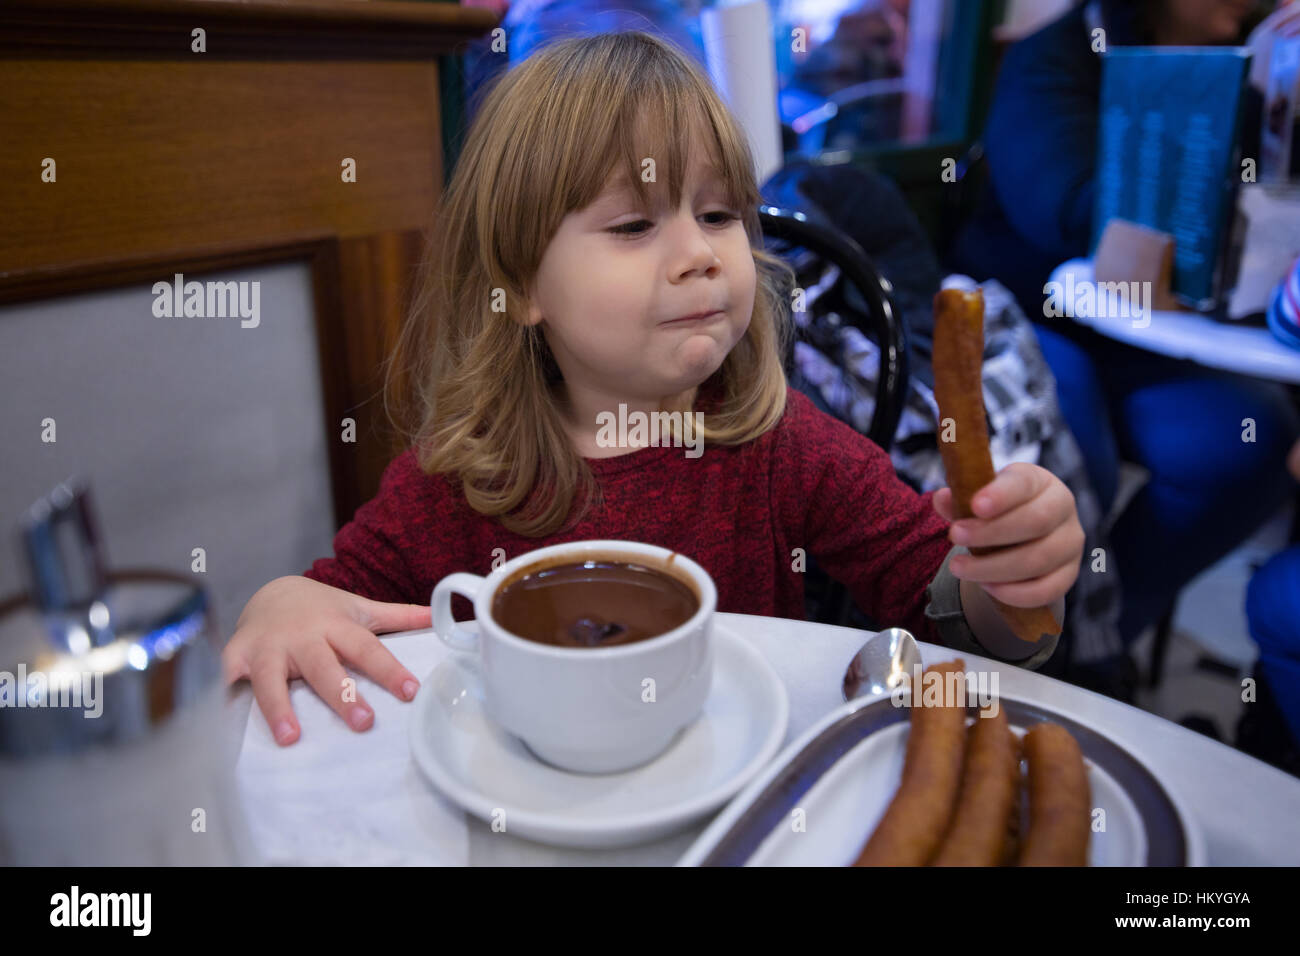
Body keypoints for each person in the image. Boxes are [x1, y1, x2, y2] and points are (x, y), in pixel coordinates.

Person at [223, 31, 1085, 744]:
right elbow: (340, 595)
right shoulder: (458, 482)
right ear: (522, 286)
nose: (703, 253)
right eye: (636, 224)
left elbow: (952, 624)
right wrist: (281, 603)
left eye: (719, 215)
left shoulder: (781, 444)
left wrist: (1013, 581)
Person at [950, 0, 1297, 652]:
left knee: (1255, 444)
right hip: (1030, 309)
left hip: (1156, 336)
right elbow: (1071, 214)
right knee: (1071, 452)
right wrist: (1226, 102)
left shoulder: (1267, 61)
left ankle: (1103, 634)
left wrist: (1280, 100)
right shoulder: (1053, 59)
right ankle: (1043, 644)